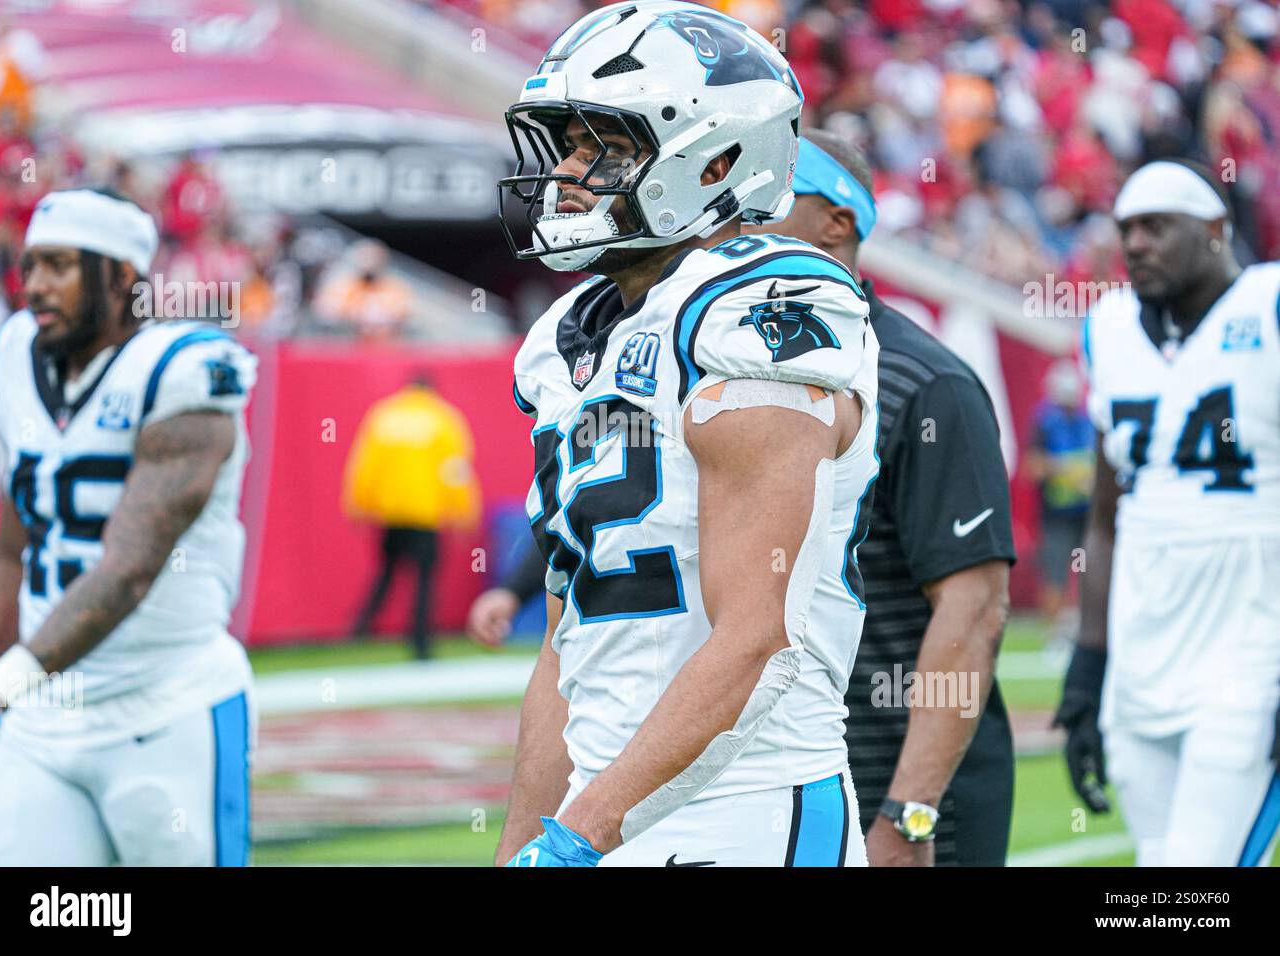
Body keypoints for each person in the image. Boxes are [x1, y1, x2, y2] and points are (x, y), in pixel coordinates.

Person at [496, 1, 879, 867]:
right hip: (600, 810)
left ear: (714, 161)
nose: (567, 175)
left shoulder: (757, 306)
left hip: (744, 808)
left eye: (605, 147)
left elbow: (758, 637)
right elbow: (566, 650)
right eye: (567, 145)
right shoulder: (564, 344)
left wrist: (579, 836)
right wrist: (531, 840)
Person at [748, 130, 1016, 866]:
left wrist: (911, 812)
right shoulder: (727, 368)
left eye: (772, 187)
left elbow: (975, 607)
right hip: (770, 788)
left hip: (895, 792)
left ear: (839, 219)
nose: (742, 205)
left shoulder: (925, 382)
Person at [0, 188, 259, 865]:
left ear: (120, 275)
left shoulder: (187, 370)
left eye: (58, 266)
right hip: (41, 719)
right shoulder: (10, 354)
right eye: (29, 265)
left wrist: (2, 683)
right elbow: (16, 542)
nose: (35, 286)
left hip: (166, 707)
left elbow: (130, 566)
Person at [1057, 159, 1280, 866]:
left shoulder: (1268, 306)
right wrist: (1088, 668)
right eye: (1126, 229)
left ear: (1216, 230)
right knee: (1160, 868)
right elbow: (1104, 515)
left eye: (1157, 226)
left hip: (1252, 631)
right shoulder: (1110, 329)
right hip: (1142, 640)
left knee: (1193, 872)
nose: (1136, 244)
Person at [341, 378, 481, 659]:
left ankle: (359, 630)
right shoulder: (443, 418)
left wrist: (358, 503)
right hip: (425, 513)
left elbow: (365, 463)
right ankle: (420, 642)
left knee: (386, 573)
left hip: (391, 512)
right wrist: (463, 510)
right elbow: (455, 469)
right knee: (425, 580)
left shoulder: (385, 415)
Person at [1025, 359, 1093, 641]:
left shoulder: (1087, 420)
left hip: (1086, 513)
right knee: (1054, 573)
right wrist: (1067, 471)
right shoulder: (1045, 422)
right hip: (1055, 513)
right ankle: (1055, 635)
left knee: (1089, 570)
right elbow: (1033, 466)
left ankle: (1083, 631)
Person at [313, 239, 416, 340]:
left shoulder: (395, 287)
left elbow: (405, 313)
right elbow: (327, 311)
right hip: (349, 343)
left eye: (374, 258)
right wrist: (355, 315)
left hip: (386, 346)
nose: (370, 263)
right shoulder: (343, 285)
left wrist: (379, 318)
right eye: (365, 258)